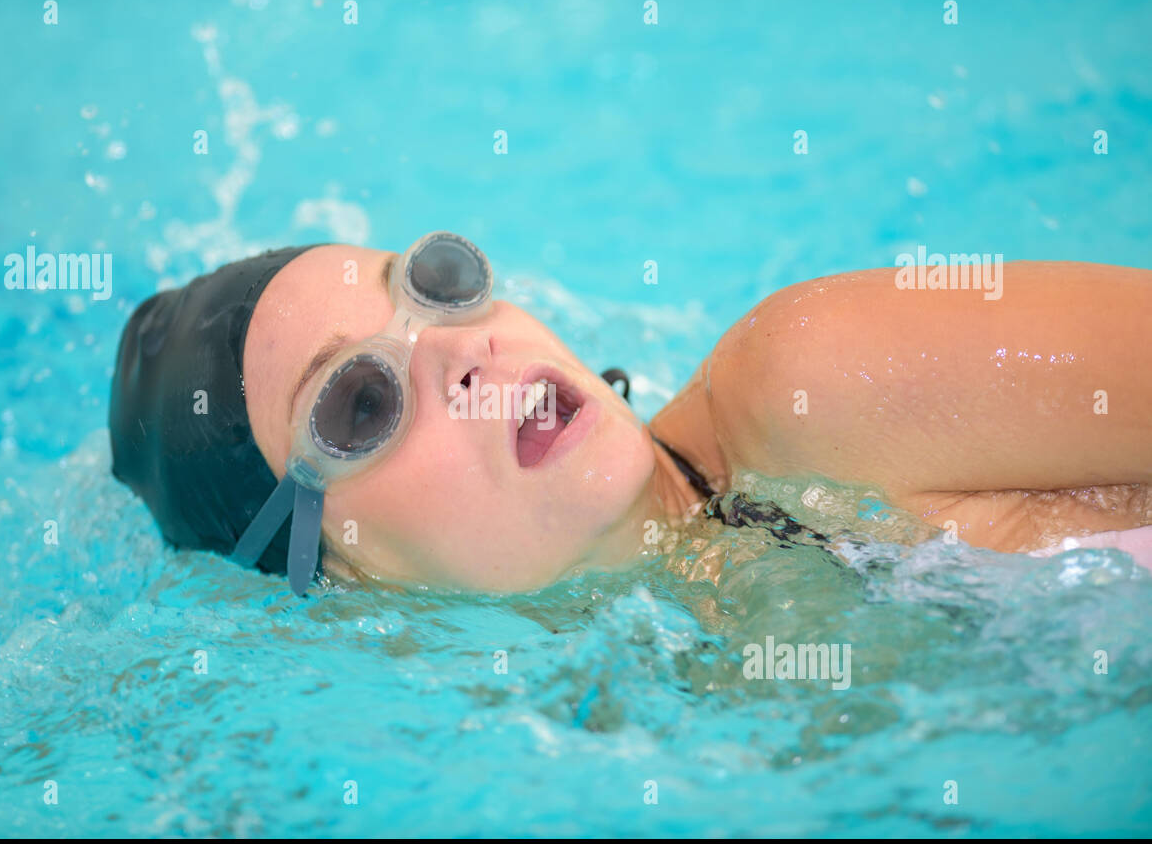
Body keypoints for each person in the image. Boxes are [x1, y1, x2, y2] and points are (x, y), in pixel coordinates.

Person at [109, 233, 1152, 595]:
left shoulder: (812, 391)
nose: (463, 353)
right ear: (328, 567)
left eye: (432, 284)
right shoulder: (607, 738)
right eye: (362, 400)